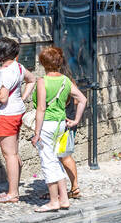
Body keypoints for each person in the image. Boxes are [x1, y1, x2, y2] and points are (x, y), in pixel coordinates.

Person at [32, 46, 88, 212]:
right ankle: (63, 199)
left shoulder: (42, 81)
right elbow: (82, 99)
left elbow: (41, 108)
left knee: (48, 163)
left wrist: (36, 132)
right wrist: (76, 120)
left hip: (47, 125)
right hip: (61, 125)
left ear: (43, 63)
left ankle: (53, 201)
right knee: (56, 161)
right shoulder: (65, 80)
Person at [0, 37, 35, 204]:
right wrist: (23, 97)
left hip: (7, 115)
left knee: (9, 154)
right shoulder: (18, 67)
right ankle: (14, 189)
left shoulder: (4, 72)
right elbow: (32, 79)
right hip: (17, 111)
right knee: (14, 153)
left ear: (2, 51)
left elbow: (2, 98)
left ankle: (12, 193)